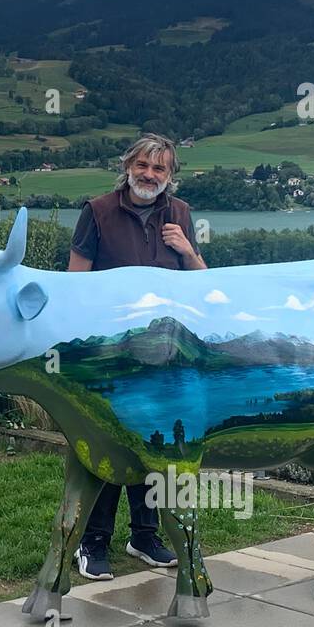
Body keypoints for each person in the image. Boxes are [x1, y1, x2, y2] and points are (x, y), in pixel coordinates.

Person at [68, 133, 207, 579]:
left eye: (159, 169)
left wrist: (187, 251)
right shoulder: (97, 212)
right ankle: (92, 543)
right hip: (111, 355)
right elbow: (76, 284)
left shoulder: (180, 215)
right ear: (128, 166)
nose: (150, 175)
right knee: (111, 446)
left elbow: (204, 286)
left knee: (156, 445)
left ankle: (144, 536)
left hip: (166, 357)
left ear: (170, 176)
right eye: (142, 166)